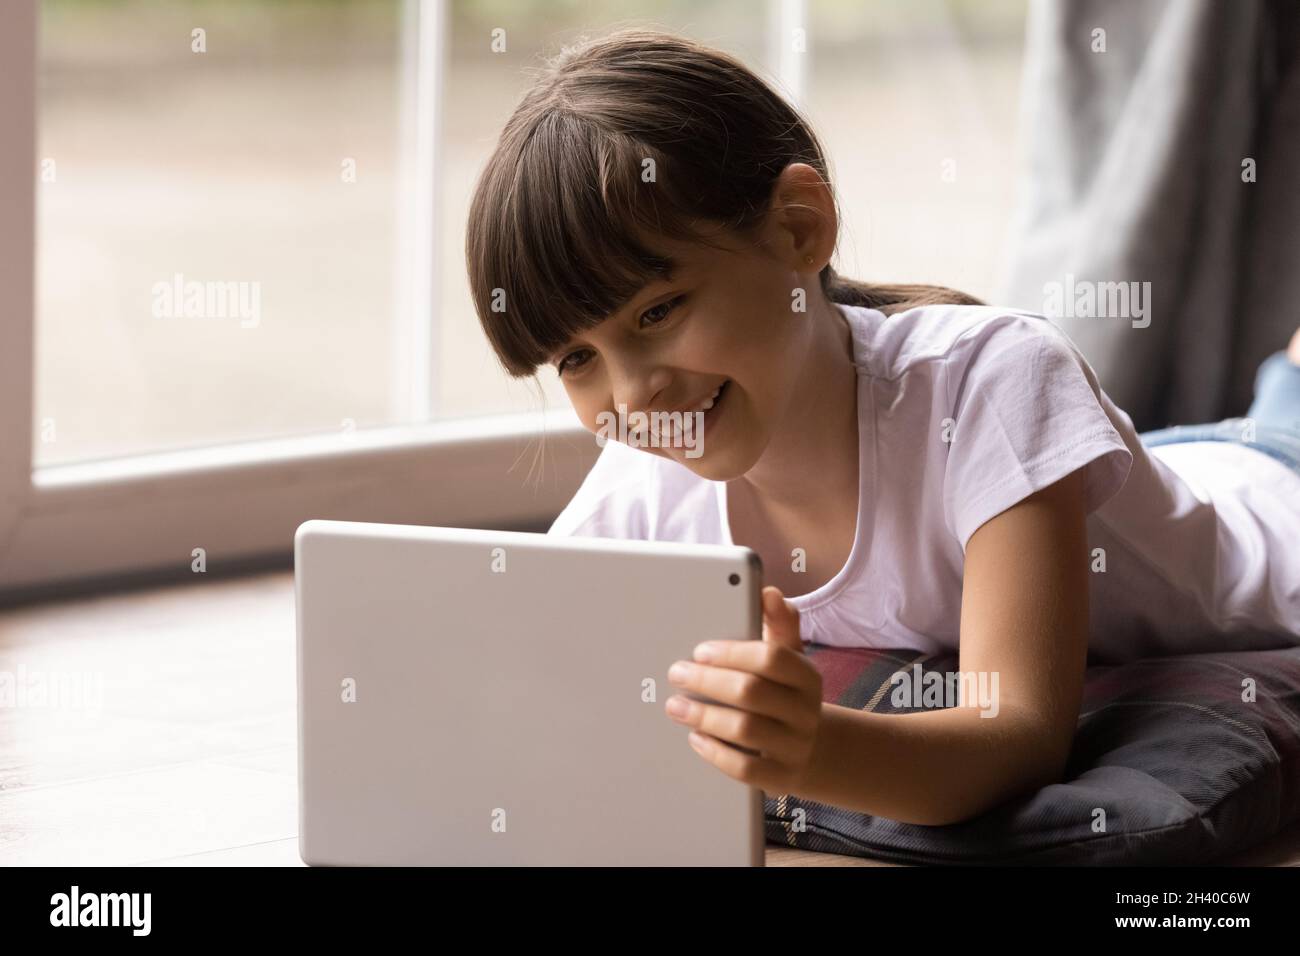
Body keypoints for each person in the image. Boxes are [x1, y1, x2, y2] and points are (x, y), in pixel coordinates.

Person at [464, 30, 1300, 827]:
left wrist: (814, 748)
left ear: (798, 228)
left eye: (659, 310)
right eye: (576, 360)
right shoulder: (642, 476)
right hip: (1159, 473)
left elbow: (1015, 738)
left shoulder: (993, 380)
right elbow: (529, 673)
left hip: (1272, 502)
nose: (634, 395)